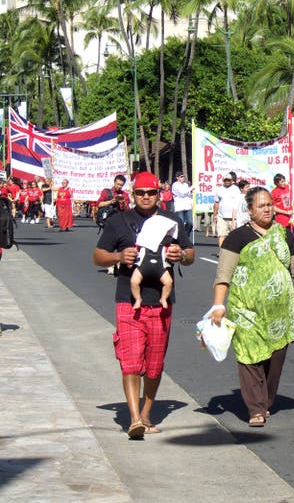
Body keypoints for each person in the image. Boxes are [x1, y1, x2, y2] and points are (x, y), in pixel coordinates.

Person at [92, 171, 194, 439]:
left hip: (161, 303)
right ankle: (135, 418)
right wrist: (117, 255)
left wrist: (180, 254)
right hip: (128, 300)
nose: (146, 197)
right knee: (130, 361)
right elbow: (97, 256)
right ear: (133, 194)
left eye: (150, 193)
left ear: (158, 194)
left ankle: (147, 412)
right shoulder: (119, 221)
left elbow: (191, 254)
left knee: (154, 364)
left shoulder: (170, 220)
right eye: (140, 193)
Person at [209, 186, 294, 427]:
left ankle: (265, 400)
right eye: (261, 206)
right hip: (245, 311)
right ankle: (255, 408)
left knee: (274, 359)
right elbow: (224, 273)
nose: (267, 209)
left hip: (279, 313)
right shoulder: (237, 237)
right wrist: (218, 305)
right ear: (250, 210)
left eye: (269, 204)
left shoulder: (284, 234)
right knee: (249, 357)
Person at [130, 214, 178, 309]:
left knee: (168, 282)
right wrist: (130, 260)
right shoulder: (142, 243)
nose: (169, 234)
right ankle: (138, 298)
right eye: (167, 232)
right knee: (134, 281)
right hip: (143, 267)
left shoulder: (167, 245)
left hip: (160, 268)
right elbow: (135, 252)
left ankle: (163, 298)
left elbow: (174, 253)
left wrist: (177, 253)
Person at [212, 173, 241, 249]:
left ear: (232, 181)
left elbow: (238, 203)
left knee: (233, 237)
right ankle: (221, 252)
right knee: (221, 235)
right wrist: (215, 214)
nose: (227, 181)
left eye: (229, 180)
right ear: (223, 180)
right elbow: (216, 202)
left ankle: (232, 253)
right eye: (226, 180)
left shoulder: (236, 189)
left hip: (233, 218)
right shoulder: (219, 189)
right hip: (221, 217)